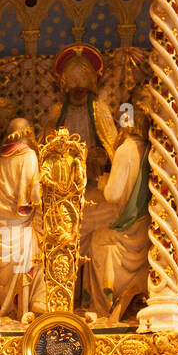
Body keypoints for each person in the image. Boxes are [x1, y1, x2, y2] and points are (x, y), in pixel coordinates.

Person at [87, 116, 149, 321]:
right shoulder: (149, 149)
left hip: (129, 231)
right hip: (144, 226)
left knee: (94, 238)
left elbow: (112, 195)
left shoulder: (126, 151)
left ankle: (104, 304)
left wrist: (104, 182)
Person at [0, 117, 45, 318]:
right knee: (41, 249)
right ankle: (35, 301)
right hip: (19, 227)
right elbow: (34, 196)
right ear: (28, 133)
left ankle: (6, 302)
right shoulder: (28, 156)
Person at [51, 43, 119, 183]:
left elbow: (112, 145)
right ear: (66, 88)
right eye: (74, 90)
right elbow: (48, 144)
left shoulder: (99, 109)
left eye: (82, 90)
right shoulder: (58, 111)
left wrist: (101, 155)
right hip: (66, 174)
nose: (78, 93)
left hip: (95, 174)